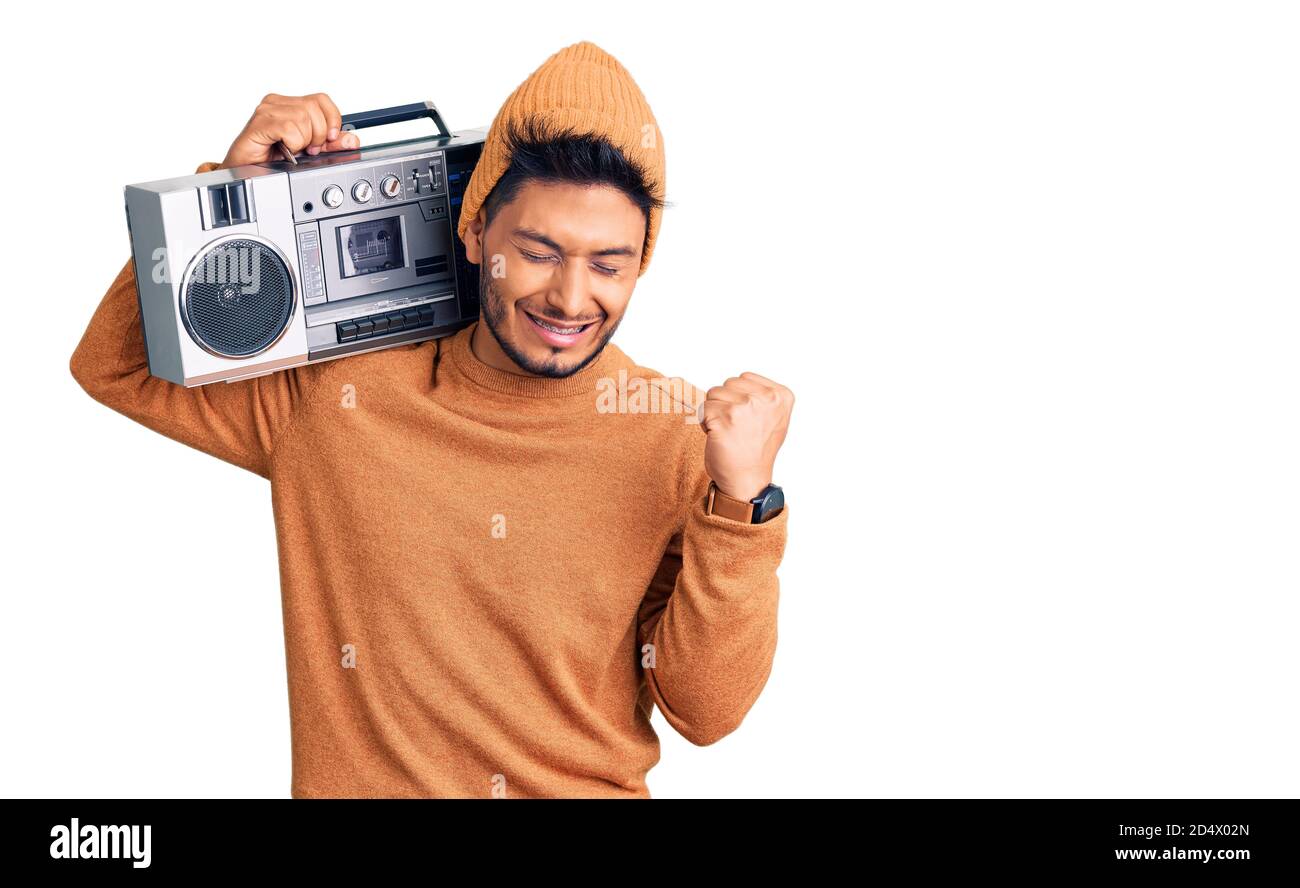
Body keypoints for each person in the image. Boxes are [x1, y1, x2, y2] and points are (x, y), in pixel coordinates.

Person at [69, 40, 794, 798]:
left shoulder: (677, 436)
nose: (572, 300)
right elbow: (113, 367)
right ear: (476, 232)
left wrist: (745, 508)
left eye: (608, 264)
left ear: (640, 262)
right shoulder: (338, 395)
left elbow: (704, 712)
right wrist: (228, 199)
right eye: (540, 253)